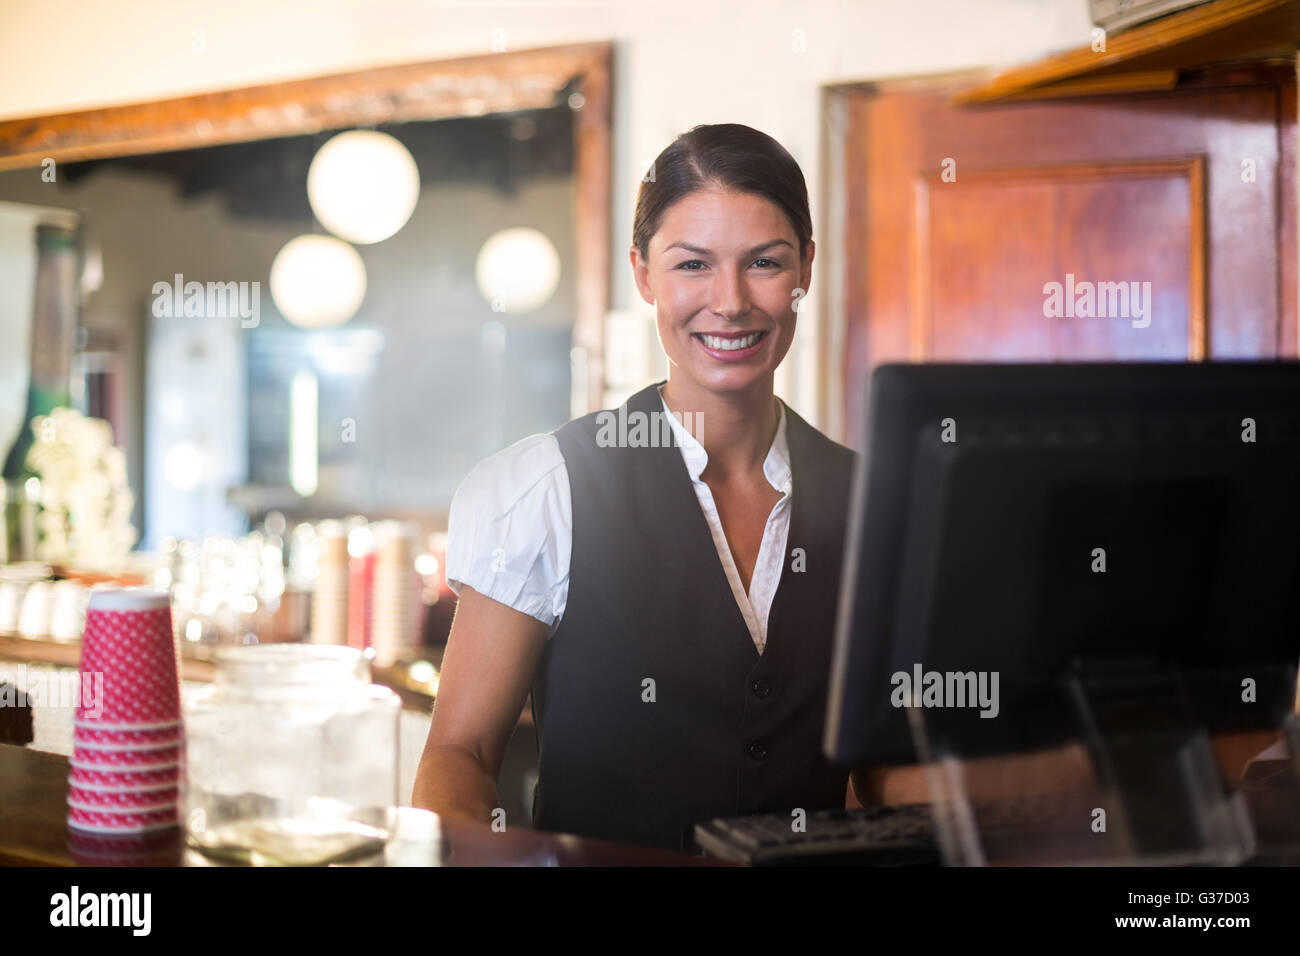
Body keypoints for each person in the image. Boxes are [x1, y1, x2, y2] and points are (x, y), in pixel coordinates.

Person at [412, 123, 862, 852]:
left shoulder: (869, 500)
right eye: (692, 265)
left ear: (805, 267)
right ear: (644, 275)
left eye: (765, 263)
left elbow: (887, 770)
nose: (731, 301)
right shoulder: (548, 488)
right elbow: (458, 753)